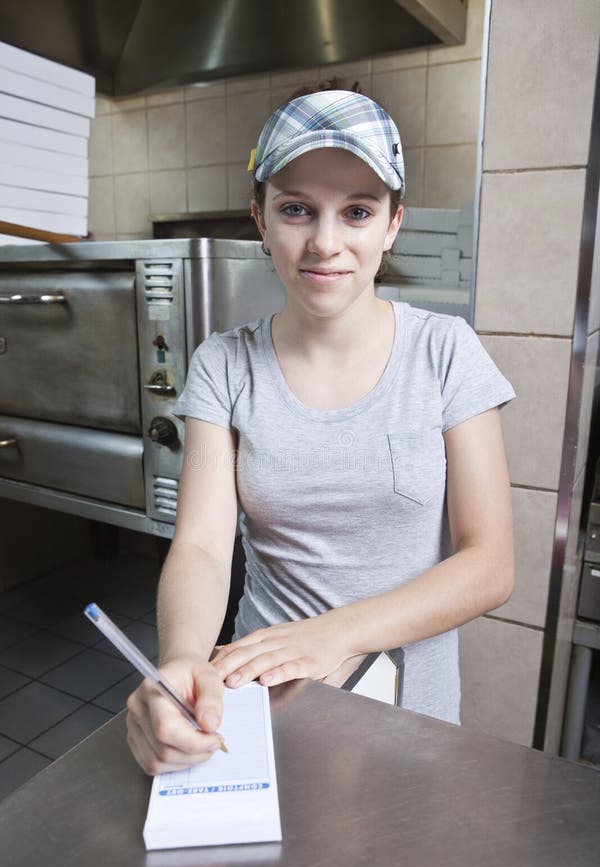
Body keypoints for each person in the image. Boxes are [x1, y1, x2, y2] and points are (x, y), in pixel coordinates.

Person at [126, 89, 515, 775]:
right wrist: (184, 659)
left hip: (408, 717)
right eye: (296, 209)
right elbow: (204, 548)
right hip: (262, 707)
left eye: (357, 211)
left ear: (393, 223)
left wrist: (331, 636)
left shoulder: (447, 353)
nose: (325, 242)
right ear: (261, 219)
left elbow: (488, 565)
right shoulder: (225, 364)